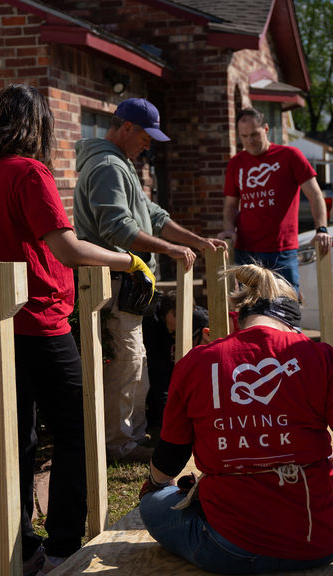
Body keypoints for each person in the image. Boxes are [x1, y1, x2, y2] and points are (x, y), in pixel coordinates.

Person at [0, 84, 155, 574]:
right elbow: (67, 248)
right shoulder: (28, 172)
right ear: (35, 127)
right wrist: (127, 260)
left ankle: (21, 548)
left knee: (14, 430)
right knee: (75, 426)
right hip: (33, 317)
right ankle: (63, 545)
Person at [139, 264, 333, 574]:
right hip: (317, 545)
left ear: (239, 318)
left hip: (228, 551)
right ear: (292, 323)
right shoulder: (320, 357)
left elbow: (170, 458)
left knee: (151, 503)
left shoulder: (197, 362)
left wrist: (156, 486)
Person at [73, 98, 227, 463]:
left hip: (128, 287)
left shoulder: (121, 164)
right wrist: (171, 250)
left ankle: (128, 436)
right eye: (145, 136)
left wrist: (195, 241)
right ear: (126, 127)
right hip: (111, 285)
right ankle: (117, 445)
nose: (149, 144)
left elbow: (153, 216)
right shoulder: (108, 166)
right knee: (126, 363)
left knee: (134, 362)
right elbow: (119, 228)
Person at [219, 107, 332, 291]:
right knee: (250, 310)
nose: (250, 141)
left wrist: (321, 229)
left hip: (281, 251)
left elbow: (315, 194)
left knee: (285, 307)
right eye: (244, 136)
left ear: (265, 129)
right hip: (246, 251)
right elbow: (231, 205)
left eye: (254, 134)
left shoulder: (289, 156)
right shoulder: (236, 163)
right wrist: (229, 229)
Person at [142, 291, 212, 436]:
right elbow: (158, 374)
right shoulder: (151, 323)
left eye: (186, 318)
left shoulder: (200, 320)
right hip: (162, 371)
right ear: (166, 312)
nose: (180, 325)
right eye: (176, 318)